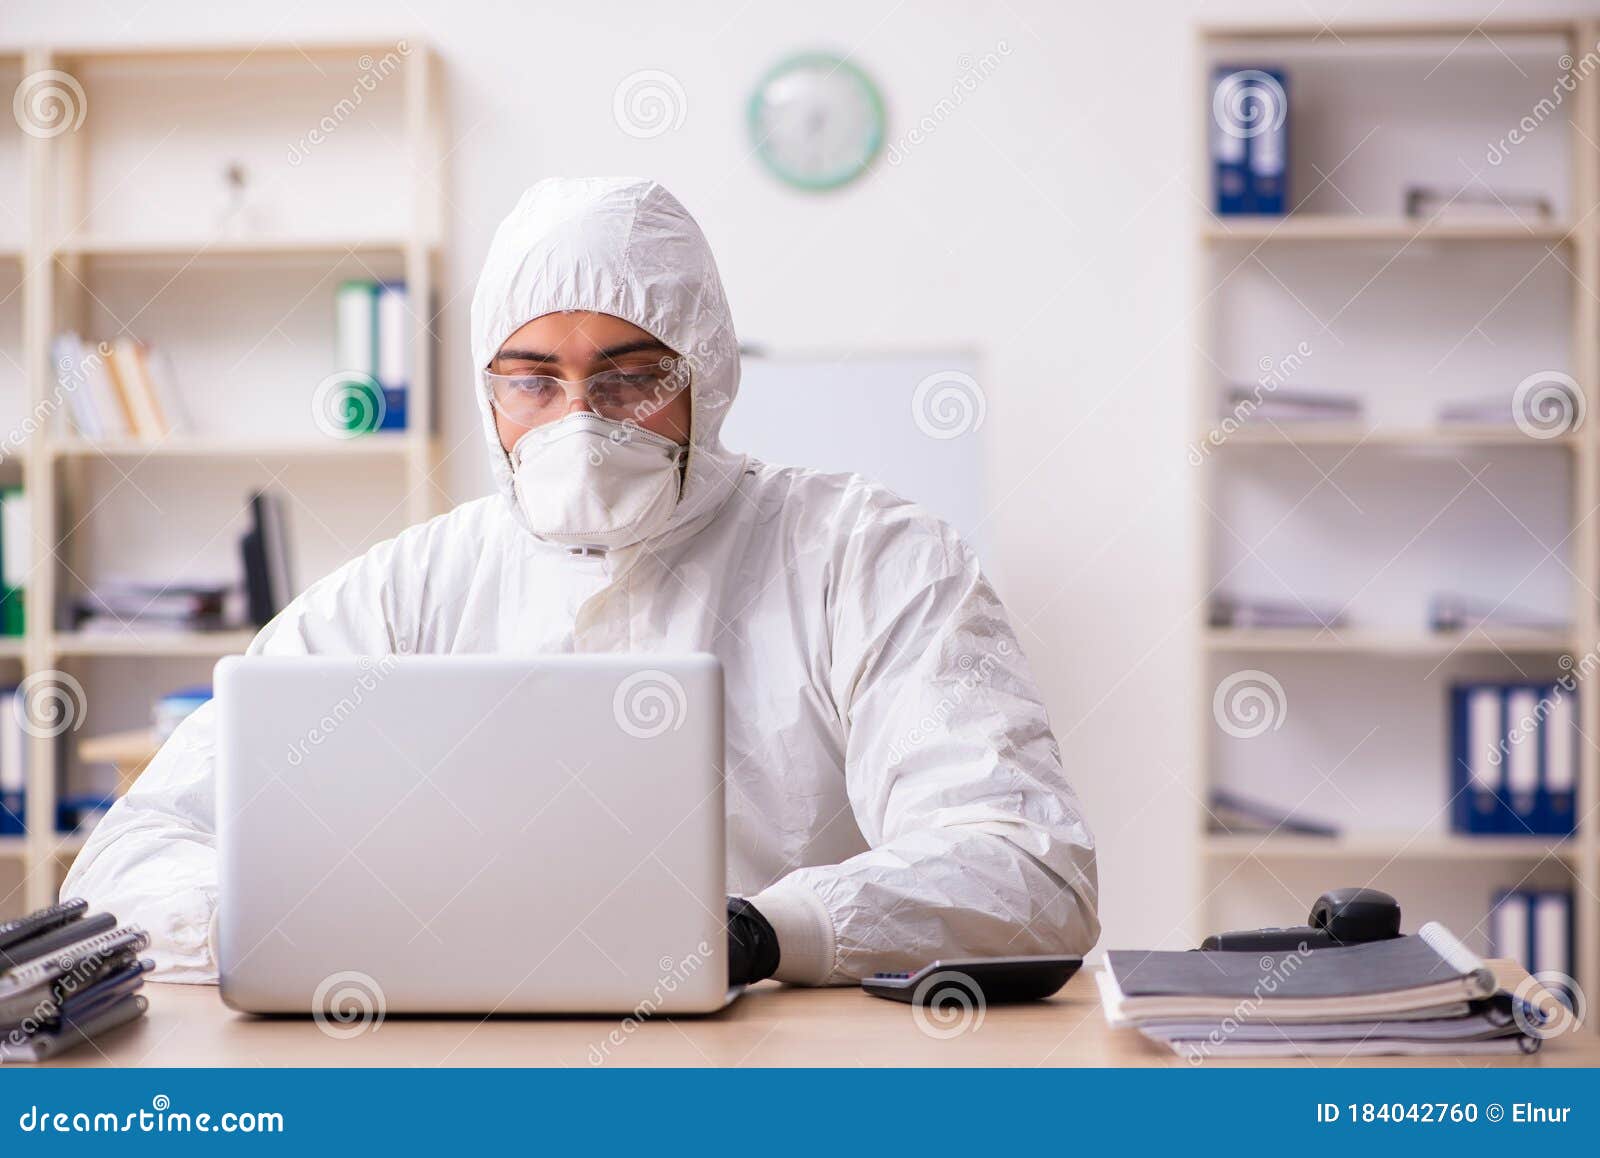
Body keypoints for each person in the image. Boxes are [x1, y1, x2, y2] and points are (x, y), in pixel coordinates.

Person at [63, 177, 1099, 987]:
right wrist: (312, 927)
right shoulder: (408, 589)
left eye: (629, 377)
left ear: (706, 373)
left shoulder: (865, 557)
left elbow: (1025, 865)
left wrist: (755, 936)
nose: (580, 424)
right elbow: (135, 856)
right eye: (533, 381)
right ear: (490, 394)